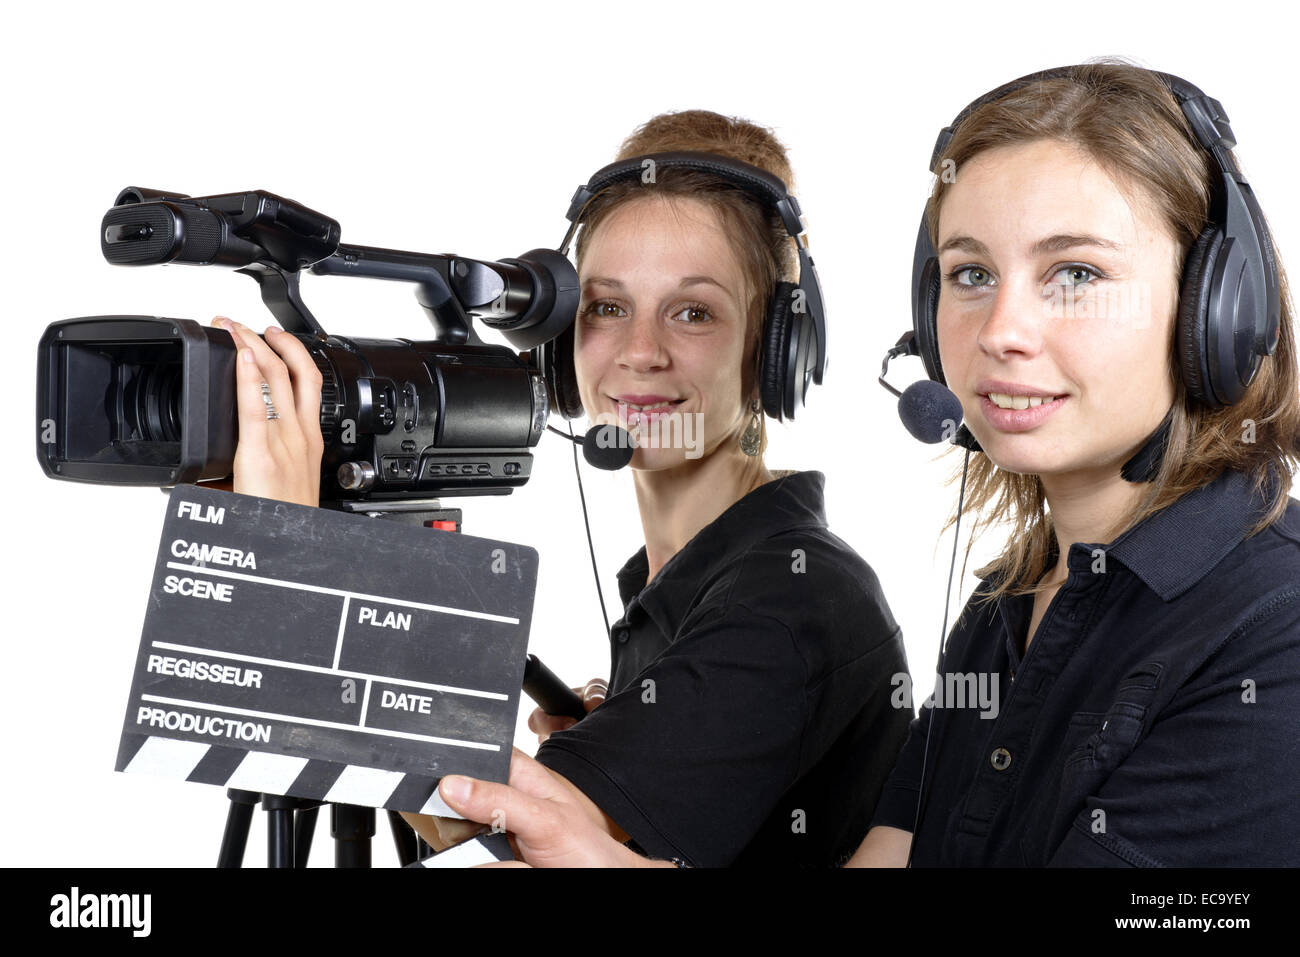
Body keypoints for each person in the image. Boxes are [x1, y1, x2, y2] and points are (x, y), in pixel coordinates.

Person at [437, 62, 1300, 867]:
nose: (1000, 329)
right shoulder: (1004, 605)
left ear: (1215, 311)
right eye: (969, 274)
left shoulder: (1274, 629)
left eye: (1074, 272)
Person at [217, 110, 912, 867]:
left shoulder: (792, 597)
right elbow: (471, 820)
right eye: (608, 307)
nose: (640, 353)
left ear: (776, 349)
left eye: (693, 311)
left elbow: (518, 841)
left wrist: (283, 548)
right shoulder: (690, 583)